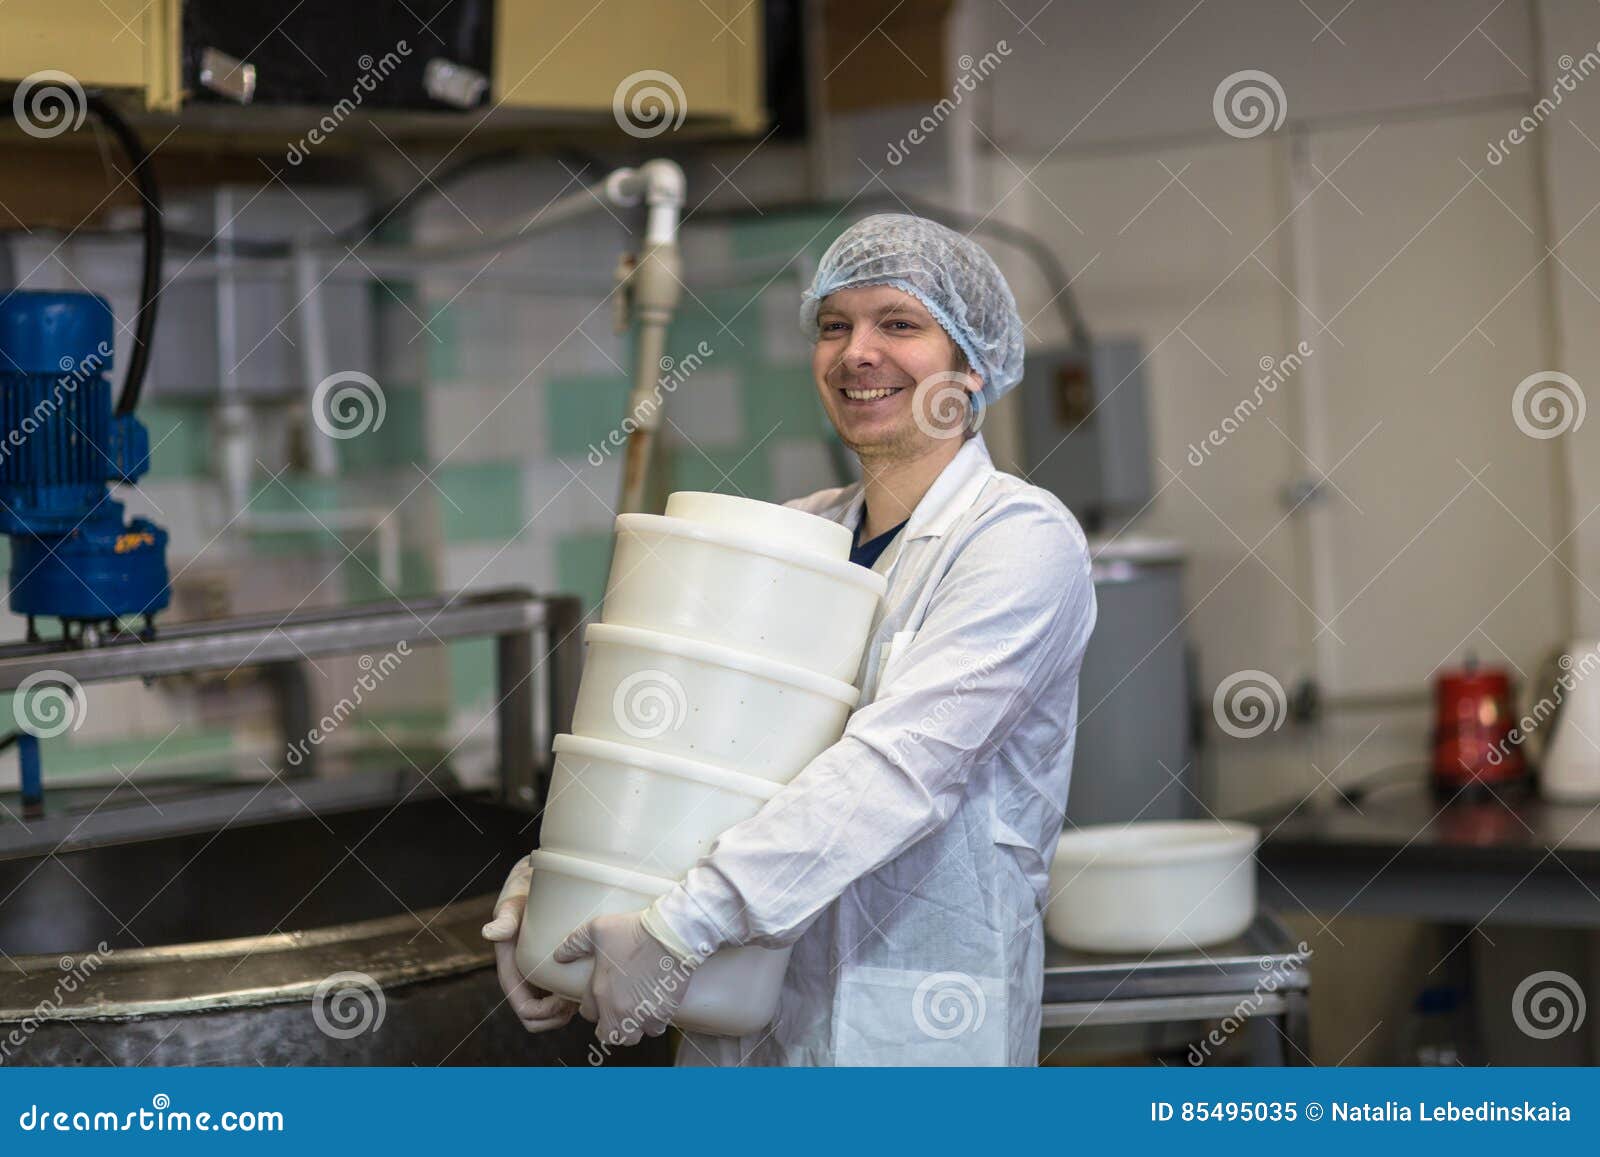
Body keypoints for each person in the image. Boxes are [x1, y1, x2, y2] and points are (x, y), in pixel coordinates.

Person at [481, 213, 1098, 1065]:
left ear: (973, 365)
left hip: (910, 1032)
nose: (856, 352)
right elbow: (667, 744)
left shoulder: (1019, 541)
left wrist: (679, 923)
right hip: (736, 1029)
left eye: (900, 323)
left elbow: (899, 768)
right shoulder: (797, 532)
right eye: (834, 325)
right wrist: (560, 893)